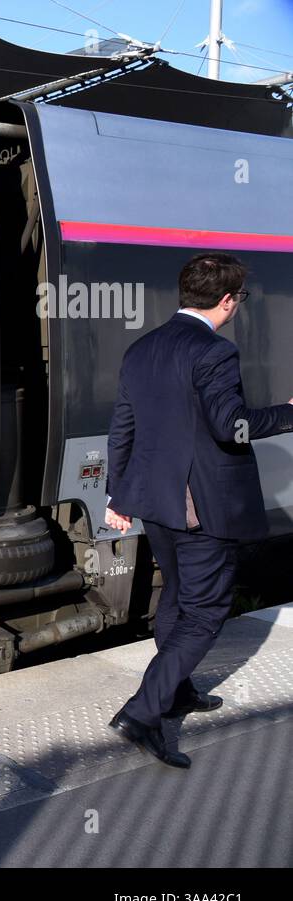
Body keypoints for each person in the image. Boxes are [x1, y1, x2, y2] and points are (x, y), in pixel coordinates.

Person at [105, 252, 293, 768]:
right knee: (206, 611)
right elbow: (229, 427)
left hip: (153, 502)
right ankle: (142, 713)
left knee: (178, 598)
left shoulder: (142, 348)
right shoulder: (215, 352)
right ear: (228, 301)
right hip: (200, 505)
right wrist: (288, 414)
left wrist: (117, 496)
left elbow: (123, 427)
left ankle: (177, 692)